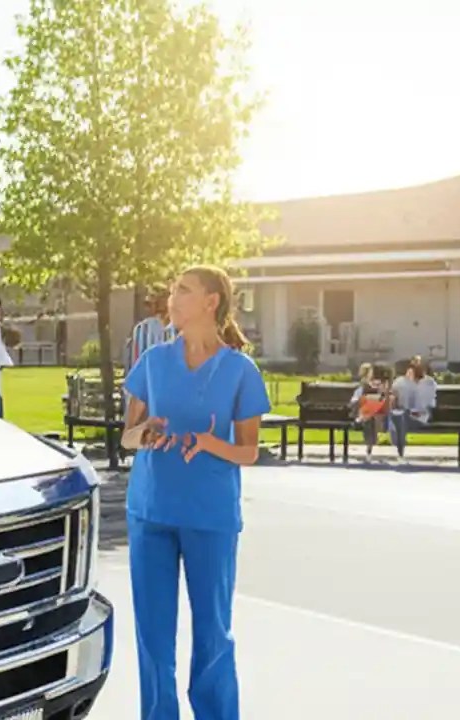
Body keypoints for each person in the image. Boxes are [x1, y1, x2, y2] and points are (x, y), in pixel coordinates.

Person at [119, 265, 271, 720]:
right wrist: (144, 431)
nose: (172, 297)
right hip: (149, 513)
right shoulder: (153, 362)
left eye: (183, 290)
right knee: (153, 637)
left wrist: (209, 443)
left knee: (213, 635)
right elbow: (126, 436)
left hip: (210, 517)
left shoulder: (241, 371)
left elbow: (248, 452)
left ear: (211, 302)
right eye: (172, 290)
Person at [388, 355, 437, 461]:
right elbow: (393, 398)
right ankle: (399, 446)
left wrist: (419, 411)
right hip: (403, 415)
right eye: (414, 366)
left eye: (419, 366)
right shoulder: (400, 382)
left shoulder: (429, 383)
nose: (416, 369)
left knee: (402, 418)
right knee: (398, 416)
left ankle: (400, 451)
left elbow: (430, 403)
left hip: (421, 417)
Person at [127, 284, 177, 370]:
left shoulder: (181, 327)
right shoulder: (141, 329)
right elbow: (135, 363)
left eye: (160, 299)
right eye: (150, 303)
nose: (155, 305)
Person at [349, 362, 389, 463]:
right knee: (369, 419)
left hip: (374, 414)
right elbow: (355, 401)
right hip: (367, 413)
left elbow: (384, 399)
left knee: (370, 418)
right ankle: (370, 448)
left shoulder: (378, 386)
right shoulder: (361, 387)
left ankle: (369, 448)